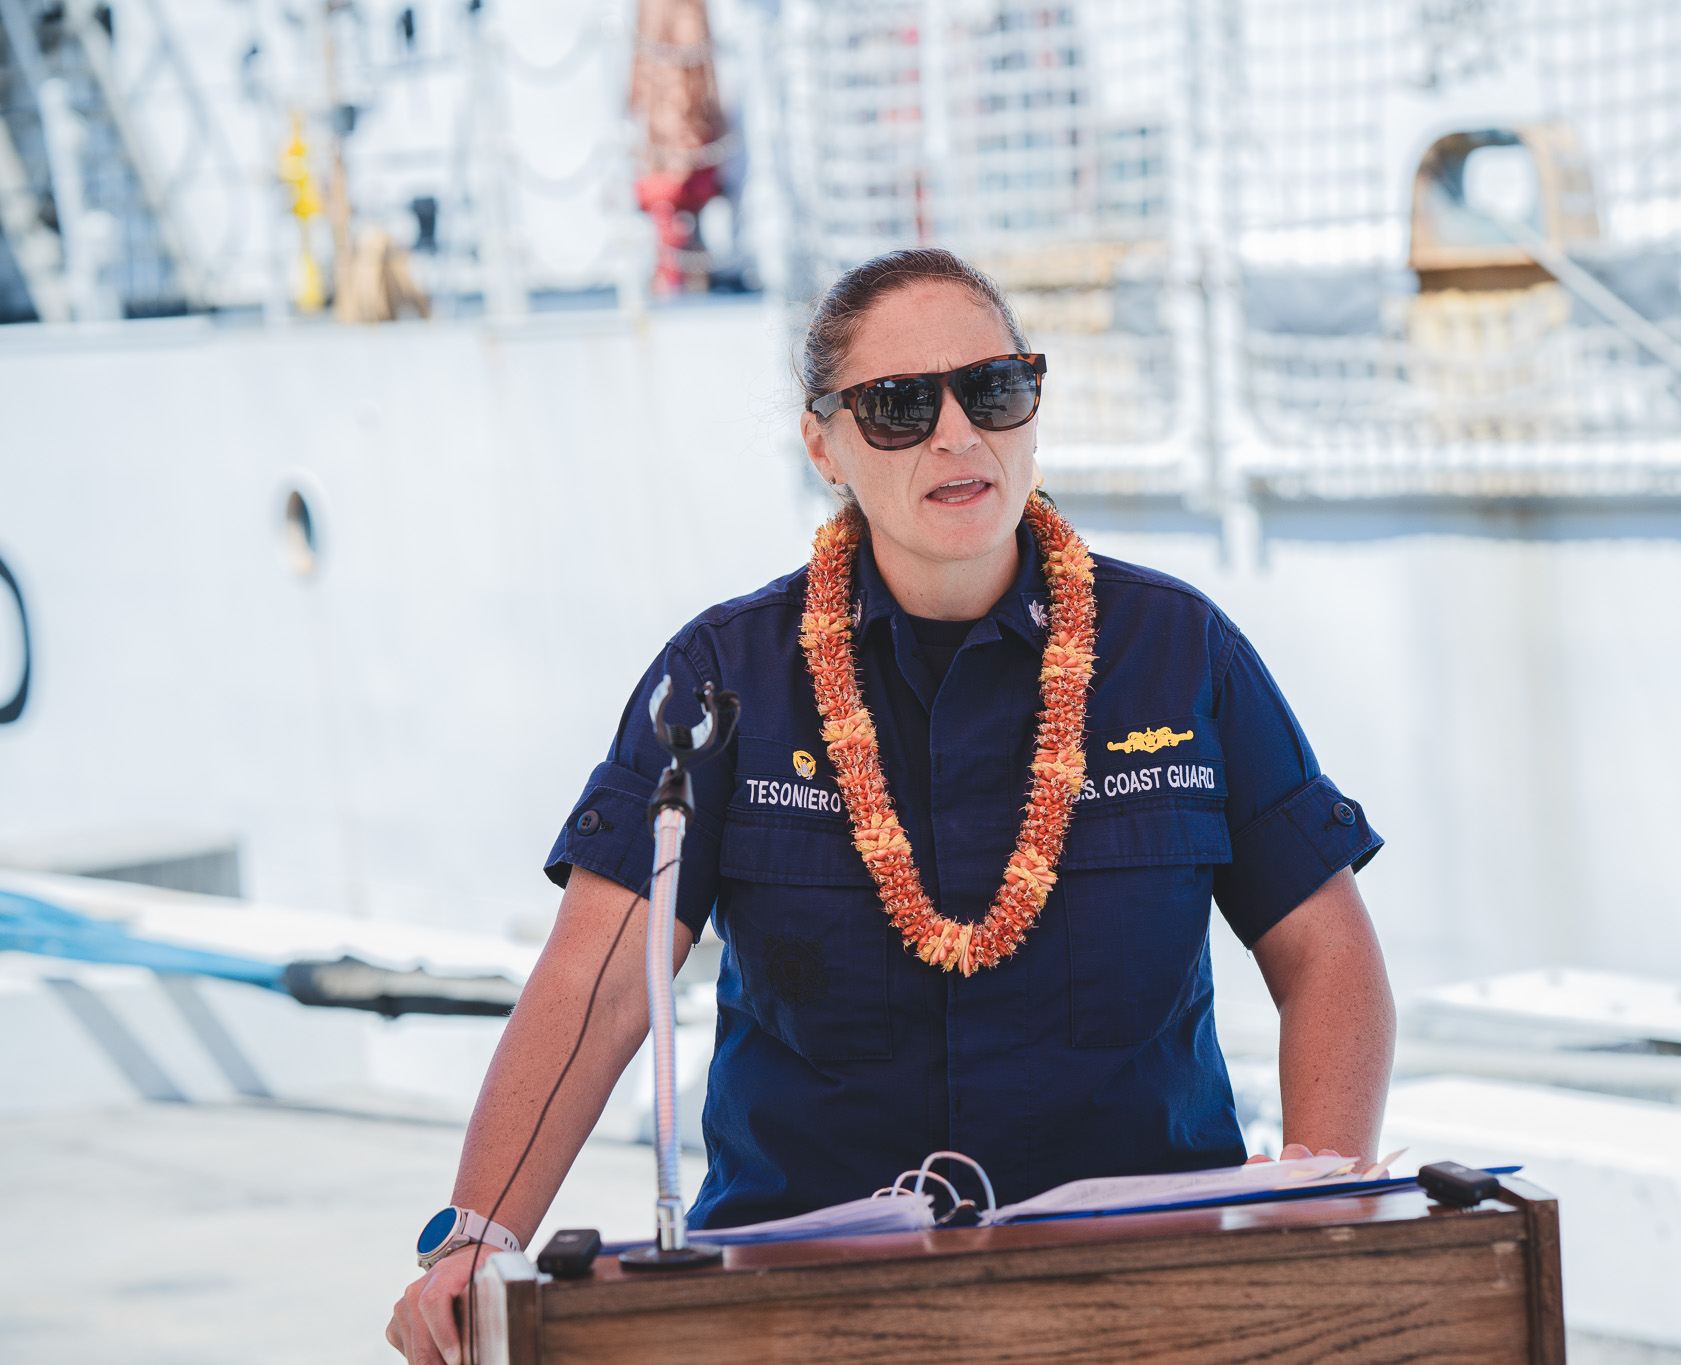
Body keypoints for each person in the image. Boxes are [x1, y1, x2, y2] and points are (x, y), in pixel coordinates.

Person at [387, 248, 1394, 1364]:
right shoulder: (725, 680)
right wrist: (477, 1236)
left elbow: (1327, 958)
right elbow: (596, 984)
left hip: (1139, 1298)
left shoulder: (1177, 651)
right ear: (823, 444)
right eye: (898, 407)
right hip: (799, 1308)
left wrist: (1324, 1201)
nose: (957, 436)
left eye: (993, 389)